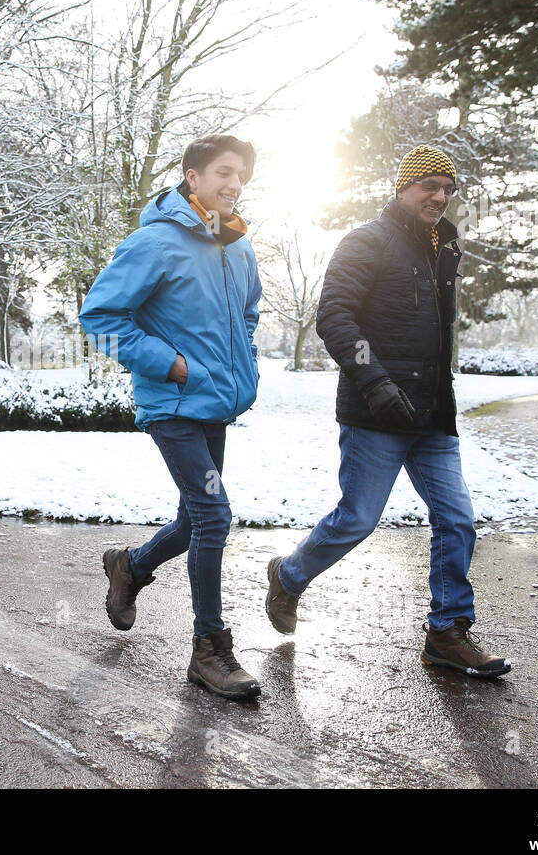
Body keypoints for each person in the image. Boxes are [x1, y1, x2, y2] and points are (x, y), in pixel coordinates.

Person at [263, 145, 511, 677]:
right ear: (403, 187)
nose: (440, 196)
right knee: (357, 519)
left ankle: (447, 632)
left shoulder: (445, 248)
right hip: (376, 411)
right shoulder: (366, 241)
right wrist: (375, 381)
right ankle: (288, 576)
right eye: (430, 185)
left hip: (432, 415)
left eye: (448, 189)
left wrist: (440, 398)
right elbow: (335, 317)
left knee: (457, 519)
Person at [79, 133, 264, 700]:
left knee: (193, 520)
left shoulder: (238, 247)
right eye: (224, 173)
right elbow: (100, 317)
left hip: (215, 404)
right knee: (213, 515)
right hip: (173, 405)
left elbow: (248, 315)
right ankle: (209, 649)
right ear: (193, 177)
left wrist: (244, 360)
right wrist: (173, 365)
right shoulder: (155, 242)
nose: (234, 184)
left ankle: (130, 566)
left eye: (241, 176)